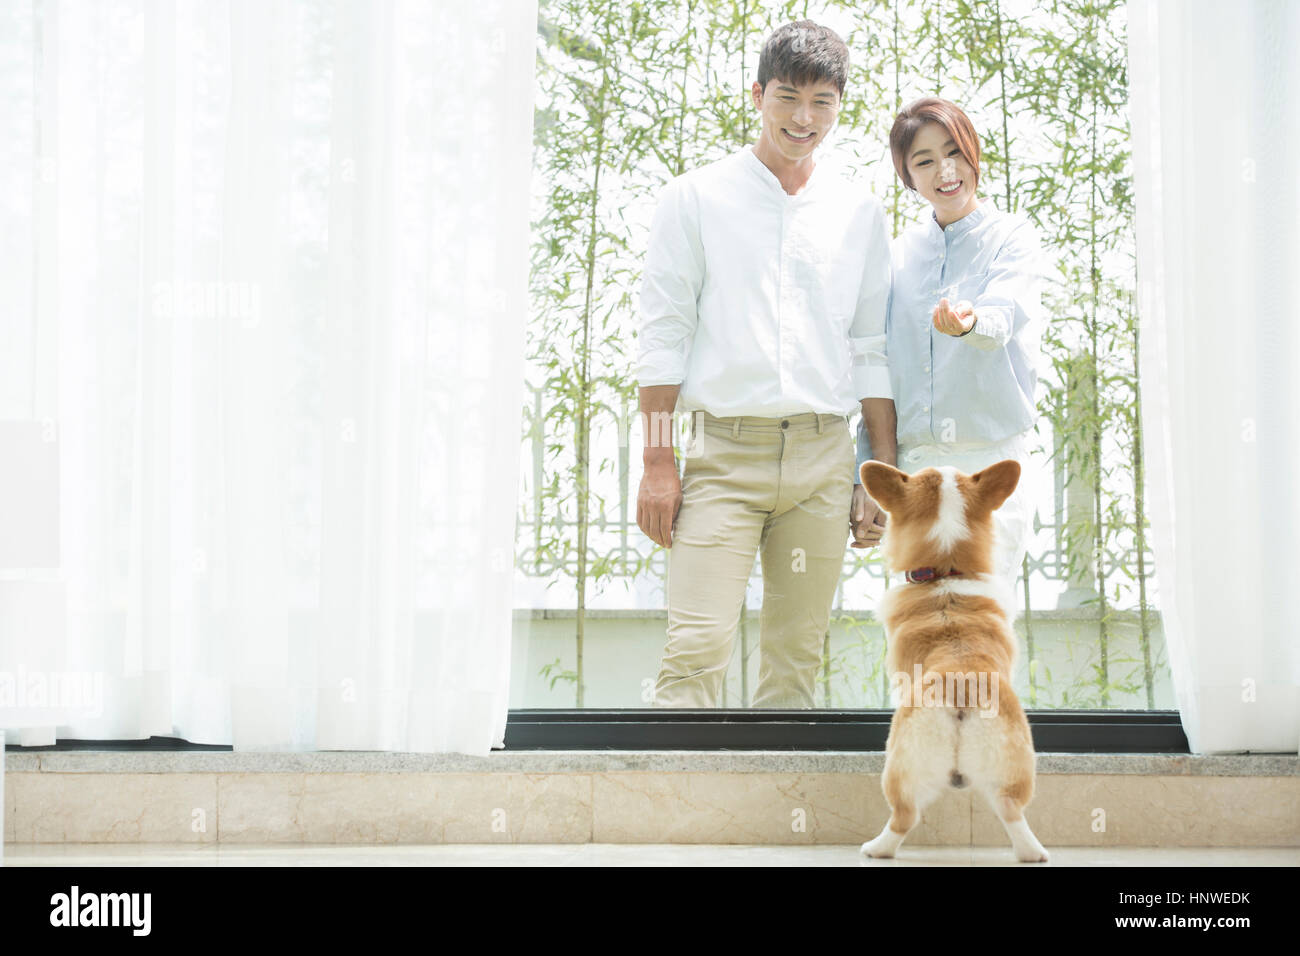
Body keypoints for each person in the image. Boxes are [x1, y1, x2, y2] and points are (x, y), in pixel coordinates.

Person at [635, 21, 896, 709]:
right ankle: (670, 819)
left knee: (794, 668)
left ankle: (774, 822)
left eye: (822, 103)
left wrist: (880, 475)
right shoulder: (695, 199)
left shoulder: (858, 211)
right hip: (722, 458)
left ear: (839, 105)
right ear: (757, 94)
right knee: (694, 650)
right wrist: (658, 465)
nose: (803, 119)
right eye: (787, 98)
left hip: (823, 460)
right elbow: (663, 336)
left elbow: (870, 347)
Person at [852, 96, 1048, 595]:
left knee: (978, 621)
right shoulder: (895, 257)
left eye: (955, 151)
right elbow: (876, 371)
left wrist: (969, 322)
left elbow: (1003, 315)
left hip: (988, 470)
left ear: (973, 152)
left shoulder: (1012, 237)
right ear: (908, 177)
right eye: (924, 161)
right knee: (917, 625)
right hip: (914, 473)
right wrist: (869, 479)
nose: (945, 170)